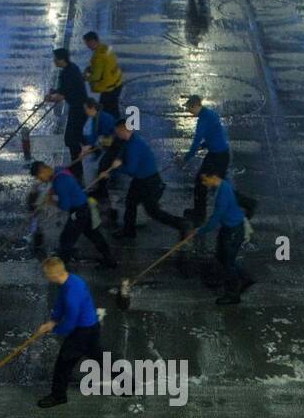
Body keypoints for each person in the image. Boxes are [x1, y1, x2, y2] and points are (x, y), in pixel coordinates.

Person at [36, 257, 101, 408]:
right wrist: (52, 321)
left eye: (46, 274)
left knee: (63, 363)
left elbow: (71, 320)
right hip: (90, 327)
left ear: (54, 275)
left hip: (82, 331)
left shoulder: (72, 292)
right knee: (99, 356)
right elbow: (60, 303)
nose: (45, 277)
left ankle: (58, 396)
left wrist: (55, 329)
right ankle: (127, 383)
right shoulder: (69, 281)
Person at [105, 123, 187, 242]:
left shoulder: (134, 145)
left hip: (149, 182)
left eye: (117, 131)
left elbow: (131, 170)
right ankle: (129, 231)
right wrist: (117, 161)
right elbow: (122, 152)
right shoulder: (130, 140)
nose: (116, 134)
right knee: (130, 203)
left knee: (153, 211)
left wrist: (118, 167)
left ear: (124, 130)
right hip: (140, 179)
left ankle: (182, 224)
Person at [29, 161, 116, 268]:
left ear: (43, 171)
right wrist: (52, 191)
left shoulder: (60, 181)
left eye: (39, 177)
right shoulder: (58, 170)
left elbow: (65, 205)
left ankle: (61, 267)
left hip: (78, 212)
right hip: (84, 206)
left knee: (66, 239)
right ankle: (109, 259)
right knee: (94, 235)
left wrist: (51, 201)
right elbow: (62, 186)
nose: (40, 180)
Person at [198, 173, 254, 305]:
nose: (204, 183)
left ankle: (233, 295)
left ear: (213, 177)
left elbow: (216, 217)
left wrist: (201, 230)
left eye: (205, 180)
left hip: (233, 231)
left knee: (228, 263)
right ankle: (245, 278)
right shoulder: (223, 185)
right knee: (223, 257)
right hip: (230, 228)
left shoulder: (223, 193)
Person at [180, 95, 230, 223]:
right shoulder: (210, 114)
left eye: (190, 108)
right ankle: (199, 213)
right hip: (218, 153)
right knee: (215, 185)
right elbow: (214, 134)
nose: (189, 111)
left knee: (204, 183)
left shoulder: (203, 120)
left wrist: (185, 158)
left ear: (196, 106)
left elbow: (196, 141)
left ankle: (199, 215)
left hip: (218, 156)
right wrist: (204, 145)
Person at [47, 47, 87, 179]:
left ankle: (77, 169)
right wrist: (55, 91)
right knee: (73, 138)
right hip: (79, 108)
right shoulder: (71, 68)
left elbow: (61, 96)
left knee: (71, 139)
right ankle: (77, 166)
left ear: (62, 59)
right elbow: (64, 89)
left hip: (79, 109)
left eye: (55, 59)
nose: (54, 61)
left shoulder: (67, 73)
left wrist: (50, 98)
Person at [81, 97, 120, 219]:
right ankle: (97, 189)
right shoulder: (96, 118)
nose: (85, 111)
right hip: (100, 149)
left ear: (92, 108)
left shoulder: (104, 119)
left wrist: (92, 145)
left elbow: (110, 139)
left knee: (99, 168)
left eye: (86, 109)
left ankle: (99, 191)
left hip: (109, 151)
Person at [82, 31, 123, 118]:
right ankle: (117, 126)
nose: (87, 46)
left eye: (88, 44)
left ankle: (114, 128)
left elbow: (96, 77)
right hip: (117, 82)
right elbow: (105, 65)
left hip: (109, 88)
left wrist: (85, 78)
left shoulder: (98, 57)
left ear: (93, 42)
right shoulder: (105, 48)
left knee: (105, 110)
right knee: (113, 108)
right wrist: (92, 68)